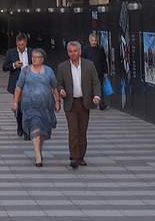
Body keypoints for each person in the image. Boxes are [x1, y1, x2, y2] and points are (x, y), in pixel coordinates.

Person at [56, 40, 103, 168]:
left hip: (84, 102)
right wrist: (61, 90)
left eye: (75, 51)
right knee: (73, 131)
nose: (73, 54)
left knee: (82, 131)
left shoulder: (89, 65)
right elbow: (59, 83)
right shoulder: (62, 67)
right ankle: (74, 157)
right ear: (68, 53)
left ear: (80, 52)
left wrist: (97, 96)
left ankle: (81, 156)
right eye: (70, 51)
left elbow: (96, 82)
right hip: (70, 103)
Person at [12, 48, 59, 167]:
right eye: (33, 57)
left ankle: (39, 150)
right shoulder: (26, 71)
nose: (34, 59)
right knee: (35, 127)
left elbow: (54, 87)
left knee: (42, 131)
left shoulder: (49, 71)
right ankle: (38, 156)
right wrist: (15, 102)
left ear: (42, 59)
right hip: (29, 106)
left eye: (37, 57)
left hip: (46, 107)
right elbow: (18, 87)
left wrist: (58, 102)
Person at [2, 33, 34, 138]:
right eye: (19, 45)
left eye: (23, 45)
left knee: (28, 108)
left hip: (30, 84)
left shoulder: (31, 52)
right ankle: (20, 125)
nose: (21, 47)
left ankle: (27, 130)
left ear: (26, 43)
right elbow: (4, 67)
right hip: (17, 85)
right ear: (16, 43)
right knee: (19, 108)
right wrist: (14, 65)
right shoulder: (10, 53)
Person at [82, 32, 110, 111]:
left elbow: (104, 61)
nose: (94, 42)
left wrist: (105, 72)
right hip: (88, 72)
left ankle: (102, 104)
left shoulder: (100, 49)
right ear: (89, 40)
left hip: (99, 71)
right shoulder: (85, 49)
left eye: (95, 40)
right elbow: (82, 61)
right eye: (92, 40)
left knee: (100, 87)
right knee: (89, 88)